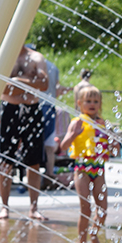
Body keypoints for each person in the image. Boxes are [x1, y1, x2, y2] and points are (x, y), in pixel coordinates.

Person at [59, 85, 117, 243]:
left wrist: (114, 144)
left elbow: (114, 150)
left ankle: (94, 233)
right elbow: (63, 147)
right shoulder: (77, 122)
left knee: (103, 210)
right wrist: (73, 135)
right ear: (79, 103)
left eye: (96, 101)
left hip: (99, 170)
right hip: (82, 170)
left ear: (100, 104)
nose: (92, 104)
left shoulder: (104, 124)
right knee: (86, 209)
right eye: (88, 101)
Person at [0, 44, 49, 221]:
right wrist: (29, 83)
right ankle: (4, 207)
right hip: (9, 108)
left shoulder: (36, 58)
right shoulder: (2, 56)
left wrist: (17, 82)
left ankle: (33, 208)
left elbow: (44, 84)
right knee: (5, 161)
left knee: (33, 162)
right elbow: (0, 87)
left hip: (32, 109)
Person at [40, 57, 71, 189]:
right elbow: (57, 90)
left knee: (32, 144)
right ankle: (50, 173)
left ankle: (33, 176)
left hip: (35, 106)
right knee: (49, 143)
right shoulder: (53, 66)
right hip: (49, 106)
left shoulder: (29, 63)